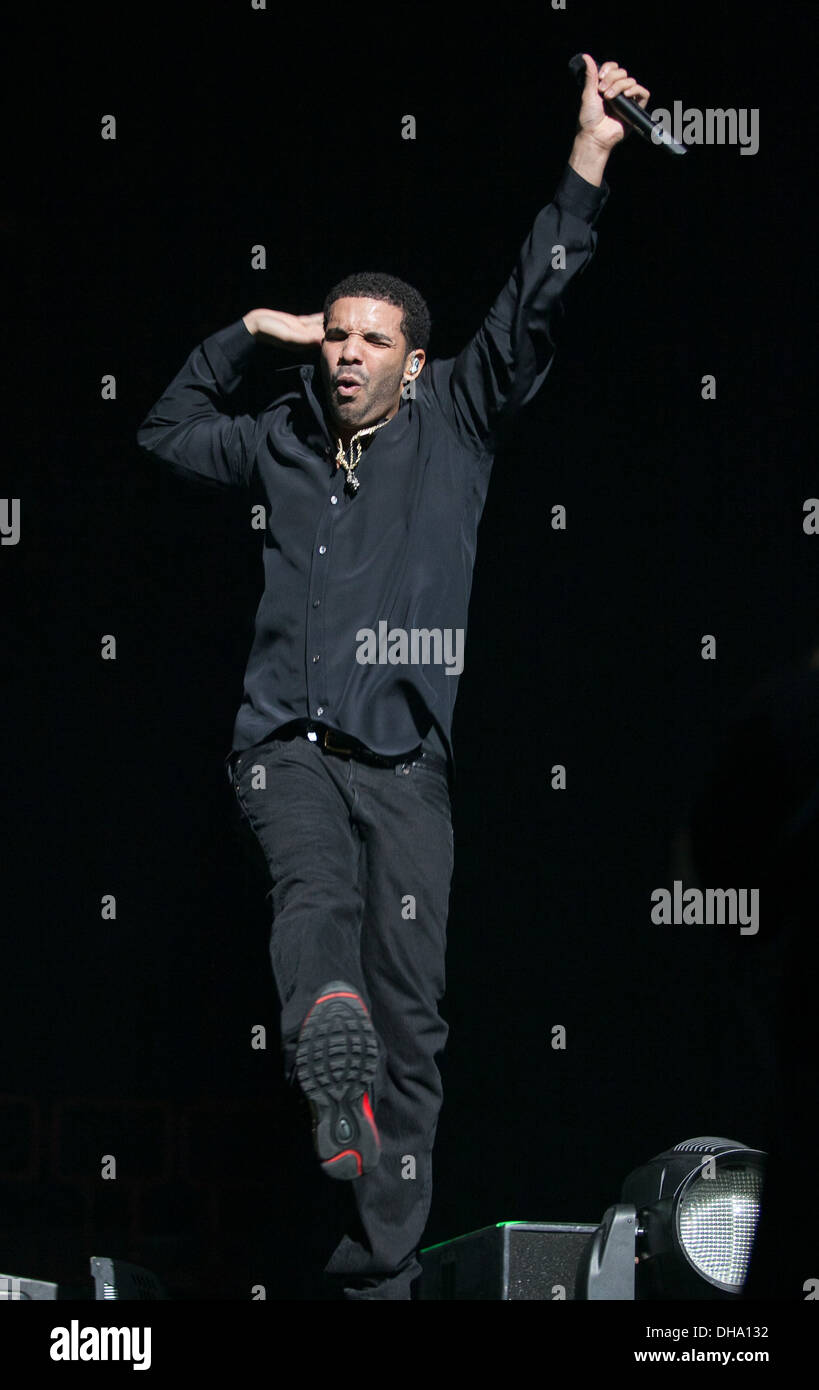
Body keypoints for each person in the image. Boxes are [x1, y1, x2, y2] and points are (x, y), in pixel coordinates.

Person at [136, 55, 649, 1300]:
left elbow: (530, 299)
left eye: (374, 340)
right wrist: (251, 329)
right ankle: (327, 1026)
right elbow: (163, 433)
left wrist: (589, 154)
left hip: (410, 772)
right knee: (313, 895)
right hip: (288, 748)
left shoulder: (458, 421)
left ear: (415, 363)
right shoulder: (279, 437)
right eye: (336, 335)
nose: (348, 354)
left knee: (414, 1022)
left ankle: (379, 1269)